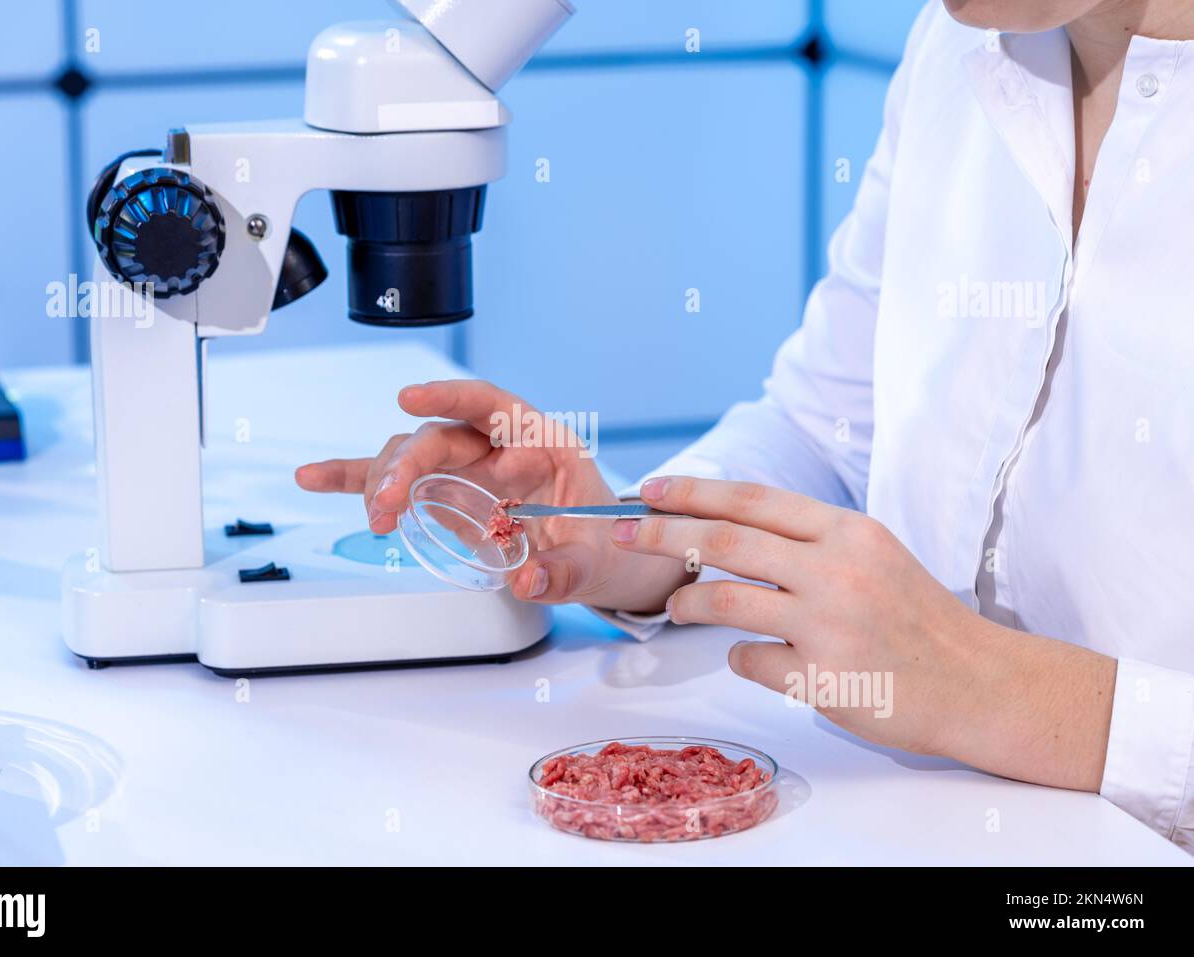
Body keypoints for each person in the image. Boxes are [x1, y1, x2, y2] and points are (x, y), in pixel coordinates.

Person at [295, 0, 1194, 852]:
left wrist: (991, 688)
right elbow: (826, 434)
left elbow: (971, 676)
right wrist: (627, 539)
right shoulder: (957, 49)